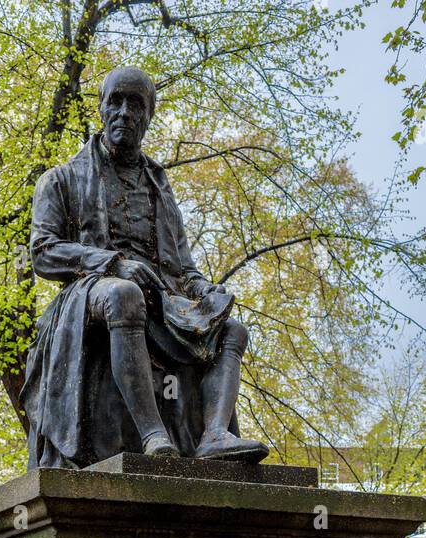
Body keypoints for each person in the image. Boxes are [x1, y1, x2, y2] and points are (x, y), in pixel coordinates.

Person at [22, 64, 268, 469]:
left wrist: (205, 291)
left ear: (148, 116)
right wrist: (112, 263)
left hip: (162, 297)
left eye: (135, 104)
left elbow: (182, 266)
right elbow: (43, 252)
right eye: (114, 101)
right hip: (91, 292)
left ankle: (214, 435)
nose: (123, 113)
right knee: (124, 294)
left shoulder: (159, 186)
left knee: (231, 330)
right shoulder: (61, 179)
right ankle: (154, 435)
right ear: (100, 109)